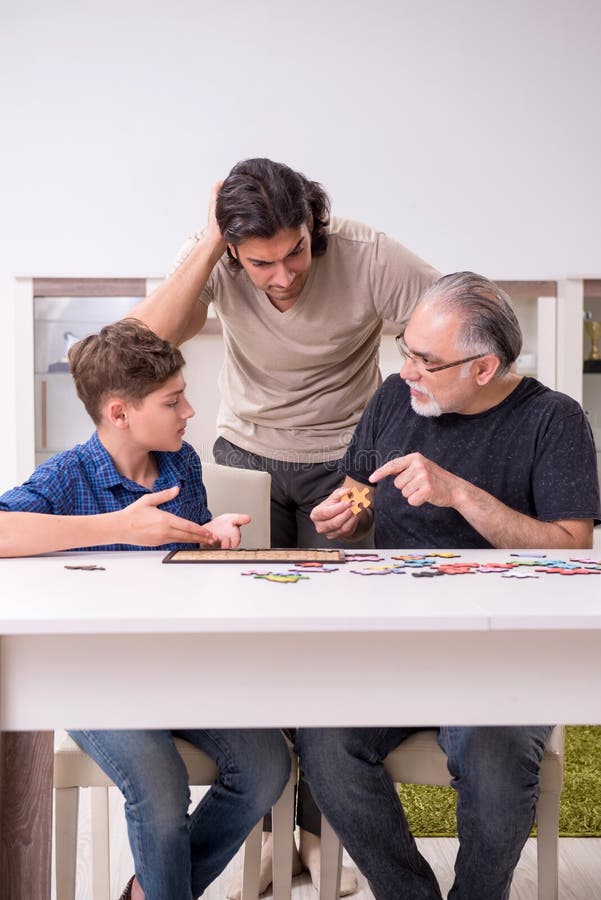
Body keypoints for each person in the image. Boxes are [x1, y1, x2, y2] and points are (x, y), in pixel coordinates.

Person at [128, 158, 439, 894]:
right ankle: (273, 838)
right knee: (253, 650)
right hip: (246, 459)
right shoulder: (219, 253)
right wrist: (212, 243)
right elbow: (144, 345)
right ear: (235, 249)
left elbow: (450, 342)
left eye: (294, 252)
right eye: (259, 262)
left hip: (348, 467)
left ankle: (318, 838)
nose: (282, 276)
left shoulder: (369, 255)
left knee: (335, 654)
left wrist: (382, 463)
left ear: (313, 225)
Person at [296, 271, 601, 900]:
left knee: (490, 752)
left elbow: (572, 547)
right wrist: (347, 515)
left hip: (507, 649)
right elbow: (360, 495)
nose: (407, 370)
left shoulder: (554, 419)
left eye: (427, 361)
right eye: (406, 350)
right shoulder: (393, 397)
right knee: (324, 739)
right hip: (399, 639)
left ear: (484, 368)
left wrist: (460, 493)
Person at [0, 319, 291, 900]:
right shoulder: (67, 476)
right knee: (160, 789)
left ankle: (147, 892)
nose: (189, 411)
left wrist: (208, 536)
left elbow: (183, 571)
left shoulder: (182, 465)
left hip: (177, 664)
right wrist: (119, 528)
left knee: (267, 768)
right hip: (95, 674)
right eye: (172, 401)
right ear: (119, 413)